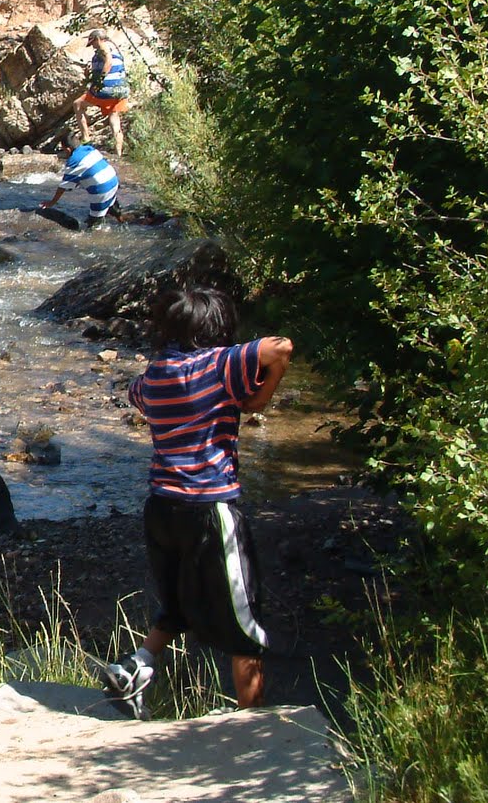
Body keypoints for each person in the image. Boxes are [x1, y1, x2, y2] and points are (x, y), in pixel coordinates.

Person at [99, 288, 294, 719]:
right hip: (211, 508)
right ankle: (255, 729)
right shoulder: (221, 363)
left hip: (162, 509)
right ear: (216, 329)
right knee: (245, 627)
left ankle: (137, 666)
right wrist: (260, 396)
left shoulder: (154, 376)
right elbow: (281, 347)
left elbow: (135, 394)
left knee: (180, 603)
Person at [75, 29, 130, 157]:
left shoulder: (104, 46)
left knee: (77, 104)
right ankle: (118, 154)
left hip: (106, 88)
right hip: (120, 90)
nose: (93, 46)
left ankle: (86, 139)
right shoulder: (116, 48)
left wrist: (98, 80)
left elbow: (108, 61)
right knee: (114, 117)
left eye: (93, 43)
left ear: (98, 39)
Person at [39, 143, 120, 228]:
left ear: (68, 149)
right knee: (111, 204)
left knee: (93, 226)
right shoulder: (88, 149)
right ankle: (121, 219)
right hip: (112, 180)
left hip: (101, 190)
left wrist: (52, 202)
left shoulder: (73, 161)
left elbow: (63, 187)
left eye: (63, 150)